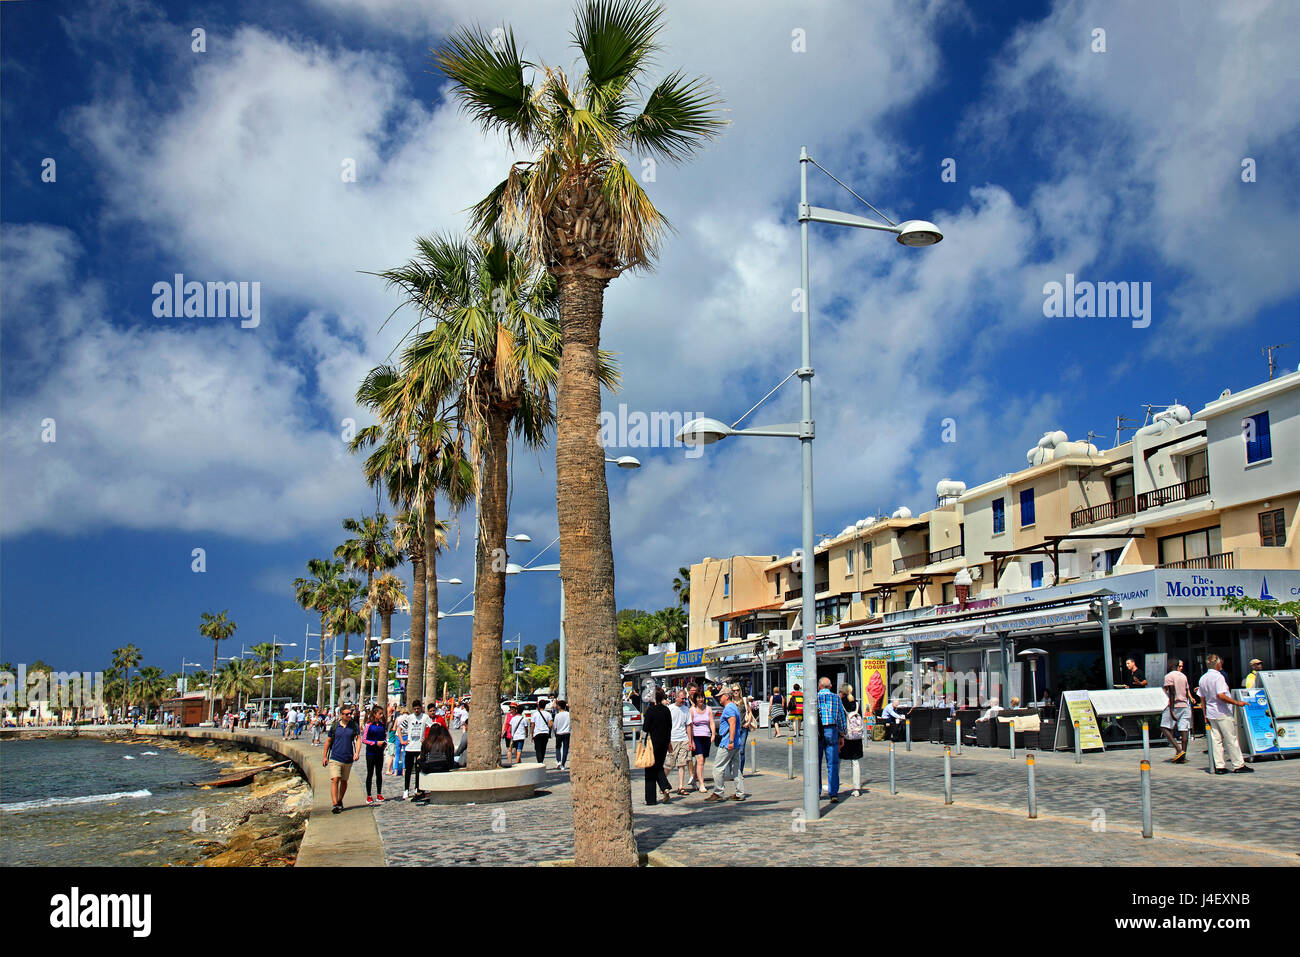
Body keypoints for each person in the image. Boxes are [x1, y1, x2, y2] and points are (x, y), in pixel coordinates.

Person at [1197, 655, 1252, 774]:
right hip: (1222, 711)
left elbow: (1201, 697)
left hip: (1211, 712)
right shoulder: (1219, 677)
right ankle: (1238, 764)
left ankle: (1219, 766)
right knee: (1230, 738)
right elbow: (1221, 695)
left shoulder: (1203, 678)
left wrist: (1204, 713)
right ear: (1217, 664)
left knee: (1216, 740)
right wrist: (1237, 702)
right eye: (1220, 662)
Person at [705, 688, 744, 802]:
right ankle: (739, 793)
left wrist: (730, 741)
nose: (719, 698)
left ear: (726, 696)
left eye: (720, 696)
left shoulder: (729, 708)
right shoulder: (733, 707)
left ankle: (718, 792)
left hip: (728, 743)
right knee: (736, 769)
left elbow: (732, 724)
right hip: (735, 742)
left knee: (718, 768)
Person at [323, 704, 362, 814]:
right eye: (346, 714)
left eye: (350, 714)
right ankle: (335, 803)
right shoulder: (335, 726)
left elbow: (358, 739)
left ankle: (340, 800)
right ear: (341, 715)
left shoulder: (354, 726)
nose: (349, 716)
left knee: (344, 781)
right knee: (335, 779)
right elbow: (328, 741)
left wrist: (357, 753)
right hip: (335, 757)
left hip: (348, 758)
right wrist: (325, 756)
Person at [815, 677, 847, 803]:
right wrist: (842, 734)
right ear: (830, 686)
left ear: (819, 686)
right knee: (832, 763)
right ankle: (833, 792)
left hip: (817, 731)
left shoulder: (815, 698)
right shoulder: (836, 698)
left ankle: (816, 791)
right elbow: (840, 716)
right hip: (832, 730)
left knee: (815, 763)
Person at [640, 688, 674, 805]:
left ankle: (650, 799)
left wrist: (642, 743)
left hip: (652, 743)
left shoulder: (650, 711)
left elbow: (645, 728)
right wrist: (668, 742)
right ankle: (665, 787)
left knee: (650, 769)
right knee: (658, 766)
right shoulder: (666, 710)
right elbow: (670, 727)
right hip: (664, 743)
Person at [1160, 659, 1194, 763]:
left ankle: (1178, 749)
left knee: (1164, 727)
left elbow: (1171, 692)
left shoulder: (1169, 676)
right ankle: (1183, 754)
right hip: (1184, 705)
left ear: (1171, 665)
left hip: (1174, 705)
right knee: (1184, 730)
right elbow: (1186, 690)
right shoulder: (1183, 676)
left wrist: (1171, 709)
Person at [398, 700, 433, 799]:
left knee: (419, 770)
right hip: (409, 748)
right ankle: (406, 790)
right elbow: (399, 728)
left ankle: (417, 788)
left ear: (421, 708)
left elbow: (433, 727)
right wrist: (402, 741)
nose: (417, 710)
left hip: (419, 748)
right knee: (408, 770)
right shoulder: (409, 718)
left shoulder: (425, 717)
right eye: (415, 709)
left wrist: (426, 739)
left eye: (418, 708)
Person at [839, 684, 864, 797]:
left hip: (845, 735)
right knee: (855, 761)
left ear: (842, 692)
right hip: (857, 736)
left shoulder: (841, 702)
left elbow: (840, 719)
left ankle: (834, 784)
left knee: (837, 761)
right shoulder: (857, 704)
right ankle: (856, 788)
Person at [687, 691, 714, 793]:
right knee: (700, 760)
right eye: (698, 698)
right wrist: (691, 740)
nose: (700, 699)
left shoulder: (708, 709)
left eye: (702, 697)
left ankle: (694, 779)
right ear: (695, 699)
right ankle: (701, 784)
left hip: (706, 736)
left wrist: (713, 734)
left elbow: (711, 722)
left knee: (702, 761)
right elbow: (690, 725)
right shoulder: (692, 710)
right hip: (696, 736)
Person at [667, 688, 692, 794]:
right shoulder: (670, 709)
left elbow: (689, 725)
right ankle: (663, 784)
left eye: (685, 699)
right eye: (682, 698)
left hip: (683, 739)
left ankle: (681, 787)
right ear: (676, 697)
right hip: (673, 739)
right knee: (669, 764)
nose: (683, 700)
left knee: (682, 764)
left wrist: (690, 740)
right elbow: (666, 725)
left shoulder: (686, 709)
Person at [362, 706, 387, 804]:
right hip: (370, 753)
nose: (381, 715)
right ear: (375, 714)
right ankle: (369, 795)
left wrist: (384, 743)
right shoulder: (369, 725)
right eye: (379, 713)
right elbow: (364, 739)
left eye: (382, 713)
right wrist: (375, 743)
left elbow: (384, 736)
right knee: (370, 773)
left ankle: (379, 793)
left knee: (379, 773)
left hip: (380, 752)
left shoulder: (382, 725)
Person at [731, 683, 754, 776]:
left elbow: (749, 711)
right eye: (734, 690)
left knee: (741, 750)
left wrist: (748, 722)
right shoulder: (730, 702)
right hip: (734, 728)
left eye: (737, 690)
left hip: (743, 727)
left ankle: (740, 771)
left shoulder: (744, 700)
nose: (736, 692)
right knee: (733, 750)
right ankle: (733, 769)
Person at [531, 698, 553, 765]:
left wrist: (532, 734)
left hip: (537, 733)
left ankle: (539, 762)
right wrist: (549, 731)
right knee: (543, 749)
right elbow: (550, 724)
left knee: (538, 749)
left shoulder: (534, 714)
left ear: (538, 706)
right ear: (545, 706)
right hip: (545, 733)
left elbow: (532, 725)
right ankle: (541, 761)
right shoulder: (548, 714)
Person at [553, 700, 571, 771]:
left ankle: (559, 761)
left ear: (559, 706)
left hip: (559, 733)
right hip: (566, 733)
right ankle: (563, 764)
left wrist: (555, 732)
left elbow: (555, 726)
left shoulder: (557, 715)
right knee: (565, 749)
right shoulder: (568, 714)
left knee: (558, 747)